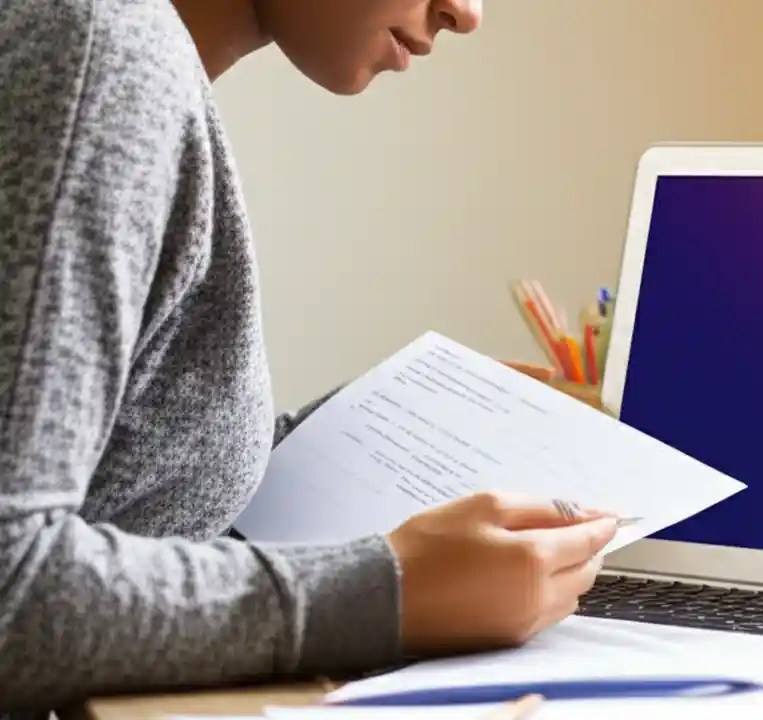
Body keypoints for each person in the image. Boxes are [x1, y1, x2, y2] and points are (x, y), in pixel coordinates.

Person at [0, 0, 620, 714]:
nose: (467, 13)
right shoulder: (104, 50)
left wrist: (385, 424)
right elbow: (13, 583)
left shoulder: (140, 61)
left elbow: (129, 490)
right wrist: (390, 593)